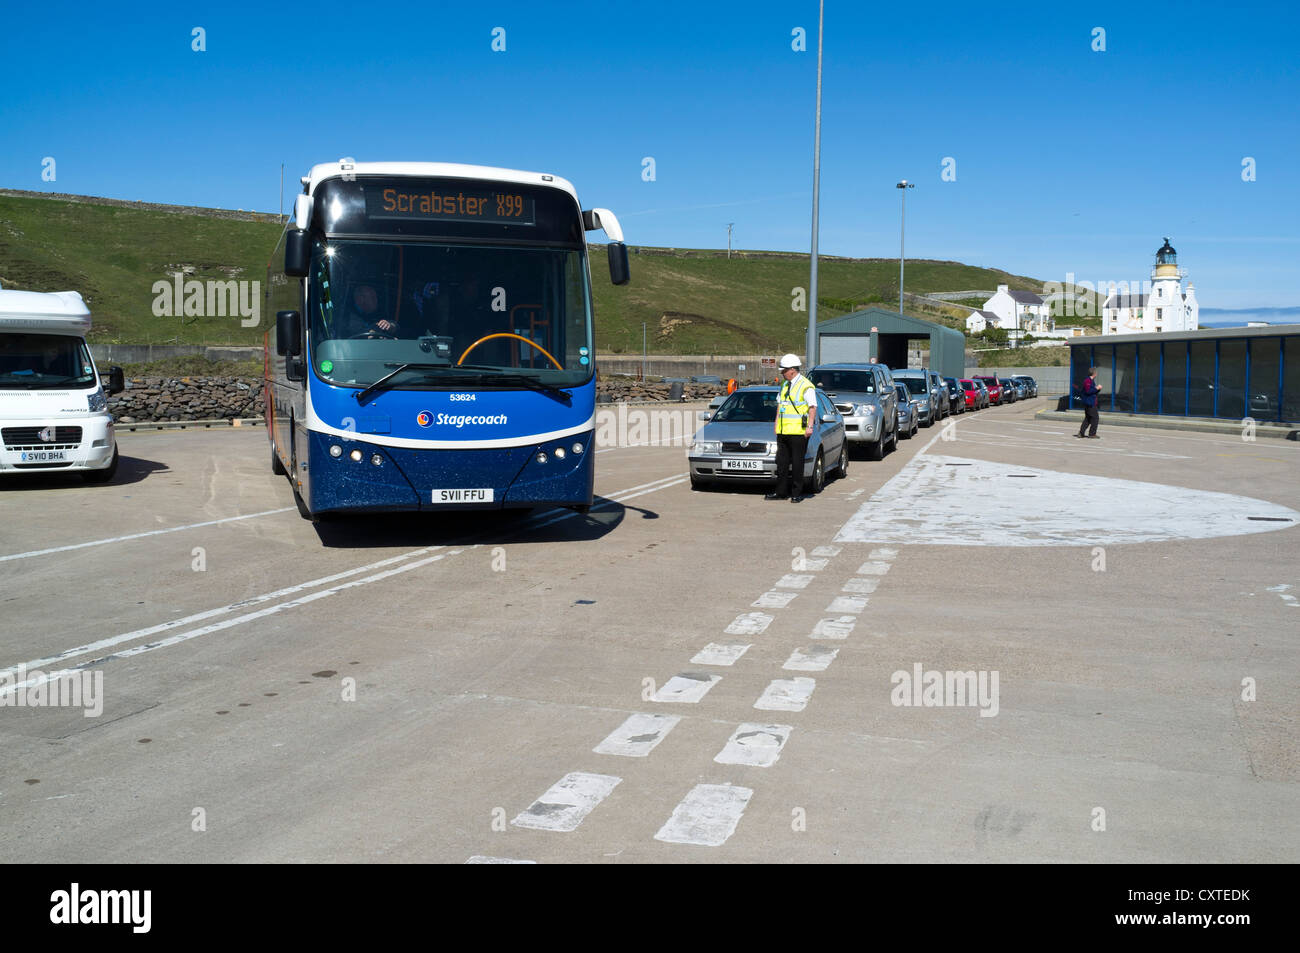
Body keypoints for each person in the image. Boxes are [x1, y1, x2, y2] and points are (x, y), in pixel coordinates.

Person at [768, 353, 816, 502]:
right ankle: (781, 492)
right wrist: (776, 423)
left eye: (784, 371)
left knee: (797, 464)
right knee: (781, 464)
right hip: (783, 431)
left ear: (792, 370)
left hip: (798, 432)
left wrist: (810, 426)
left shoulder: (805, 385)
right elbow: (780, 405)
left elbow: (812, 407)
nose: (782, 373)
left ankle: (796, 493)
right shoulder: (784, 385)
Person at [1077, 366, 1101, 438]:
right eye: (1096, 372)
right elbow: (1088, 391)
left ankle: (1081, 433)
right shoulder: (1087, 381)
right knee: (1095, 418)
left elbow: (1093, 391)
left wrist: (1098, 389)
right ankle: (1092, 434)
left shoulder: (1091, 381)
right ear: (1094, 373)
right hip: (1090, 403)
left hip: (1091, 402)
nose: (1097, 374)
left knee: (1088, 418)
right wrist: (1096, 388)